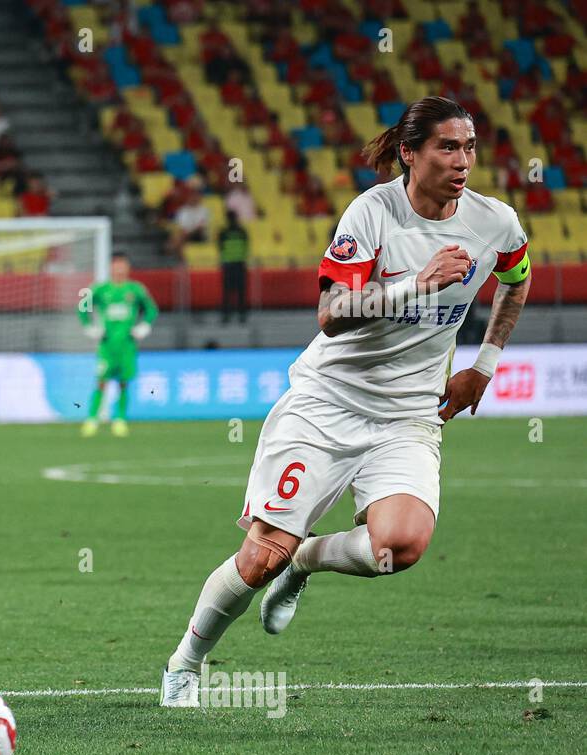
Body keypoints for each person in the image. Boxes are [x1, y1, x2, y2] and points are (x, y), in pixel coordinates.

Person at [160, 97, 532, 706]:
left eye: (469, 147)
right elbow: (331, 314)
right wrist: (417, 282)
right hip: (328, 403)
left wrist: (482, 367)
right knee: (259, 560)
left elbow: (517, 282)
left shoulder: (495, 223)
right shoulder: (372, 213)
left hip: (409, 414)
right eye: (447, 147)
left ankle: (307, 561)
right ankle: (186, 663)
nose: (463, 160)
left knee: (398, 548)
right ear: (409, 154)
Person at [78, 251, 158, 437]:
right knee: (101, 382)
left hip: (127, 345)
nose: (119, 268)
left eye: (122, 265)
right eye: (116, 265)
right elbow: (82, 307)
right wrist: (89, 327)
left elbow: (151, 310)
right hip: (106, 345)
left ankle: (120, 420)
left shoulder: (136, 289)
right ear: (110, 267)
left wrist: (144, 326)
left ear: (128, 267)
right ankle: (92, 419)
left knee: (123, 383)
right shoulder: (101, 289)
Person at [218, 210, 250, 324]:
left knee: (228, 292)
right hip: (239, 265)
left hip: (229, 265)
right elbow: (246, 247)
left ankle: (227, 316)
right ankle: (240, 315)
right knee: (239, 292)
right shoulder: (242, 231)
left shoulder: (224, 232)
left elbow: (220, 248)